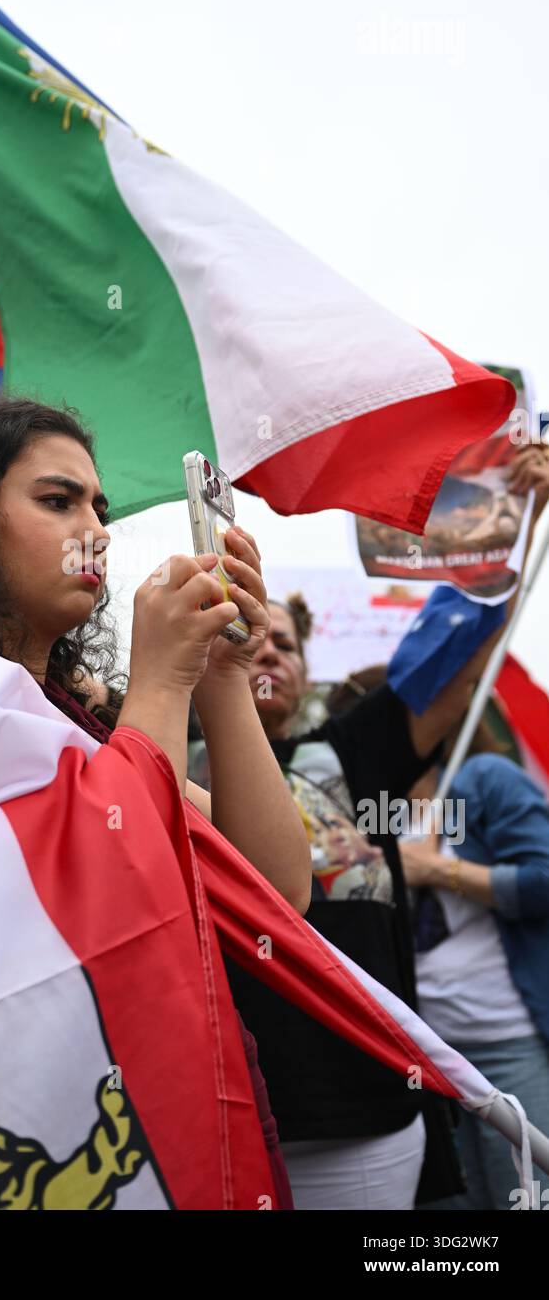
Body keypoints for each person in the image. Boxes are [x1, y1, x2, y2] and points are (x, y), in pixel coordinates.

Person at [0, 390, 310, 1206]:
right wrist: (163, 685)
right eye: (57, 501)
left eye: (98, 507)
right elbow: (113, 903)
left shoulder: (80, 710)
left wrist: (221, 684)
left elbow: (276, 889)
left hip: (179, 1111)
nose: (95, 530)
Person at [188, 443, 549, 1208]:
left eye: (284, 642)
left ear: (306, 669)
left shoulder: (349, 749)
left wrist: (519, 519)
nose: (266, 650)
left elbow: (459, 653)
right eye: (251, 630)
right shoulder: (150, 753)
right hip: (218, 1114)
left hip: (368, 1114)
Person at [401, 748, 549, 1209]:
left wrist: (437, 869)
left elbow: (542, 881)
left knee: (525, 1198)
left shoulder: (483, 780)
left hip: (507, 1042)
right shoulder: (367, 806)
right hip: (425, 1058)